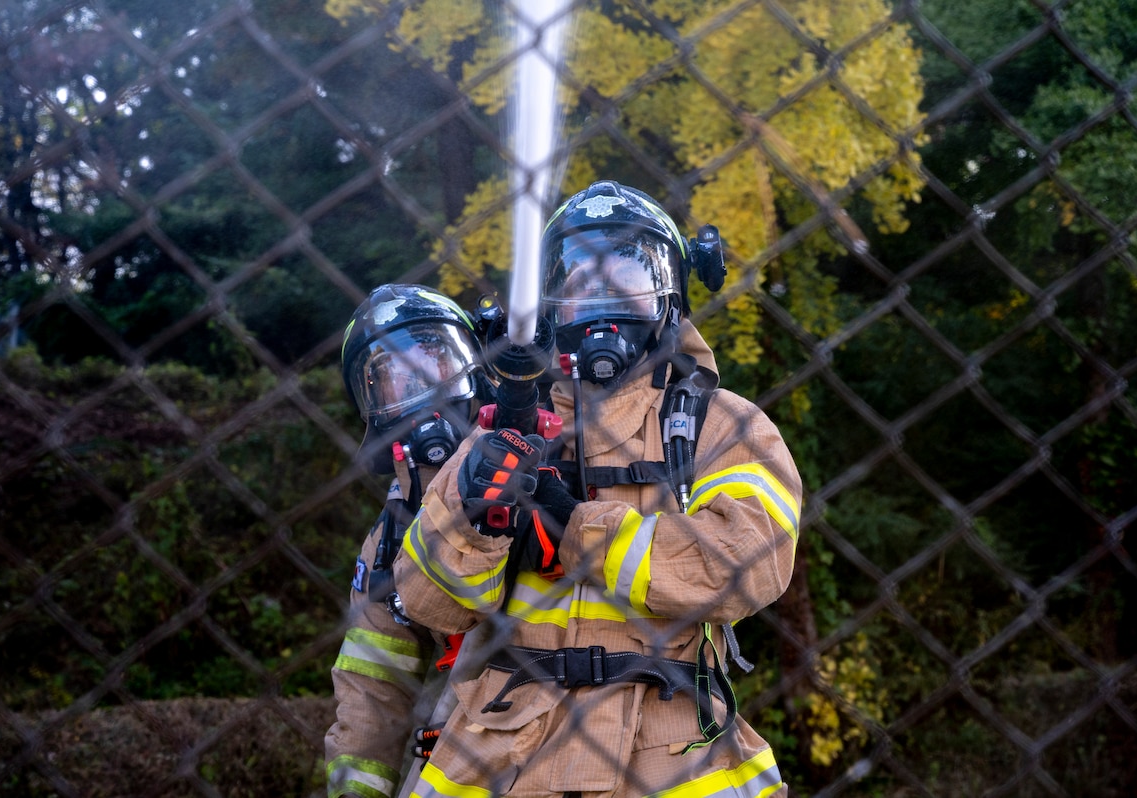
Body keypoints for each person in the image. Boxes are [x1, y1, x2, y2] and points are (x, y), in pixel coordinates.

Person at [392, 180, 804, 797]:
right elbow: (429, 604)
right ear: (550, 307)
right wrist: (475, 520)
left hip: (669, 755)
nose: (603, 298)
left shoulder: (722, 425)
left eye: (626, 277)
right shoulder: (504, 429)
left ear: (668, 298)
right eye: (581, 281)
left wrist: (576, 524)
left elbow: (748, 567)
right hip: (501, 752)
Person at [324, 284, 495, 798]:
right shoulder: (390, 538)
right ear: (373, 408)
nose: (422, 384)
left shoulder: (549, 455)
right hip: (477, 752)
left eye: (436, 357)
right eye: (394, 378)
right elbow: (370, 694)